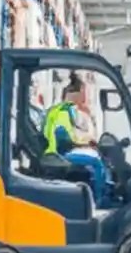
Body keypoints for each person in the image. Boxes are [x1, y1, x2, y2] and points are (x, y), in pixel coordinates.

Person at [43, 77, 111, 208]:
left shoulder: (59, 109)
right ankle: (99, 201)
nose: (86, 96)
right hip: (58, 153)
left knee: (94, 156)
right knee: (96, 162)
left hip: (59, 150)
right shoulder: (63, 111)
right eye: (84, 92)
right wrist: (86, 142)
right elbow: (64, 138)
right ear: (76, 94)